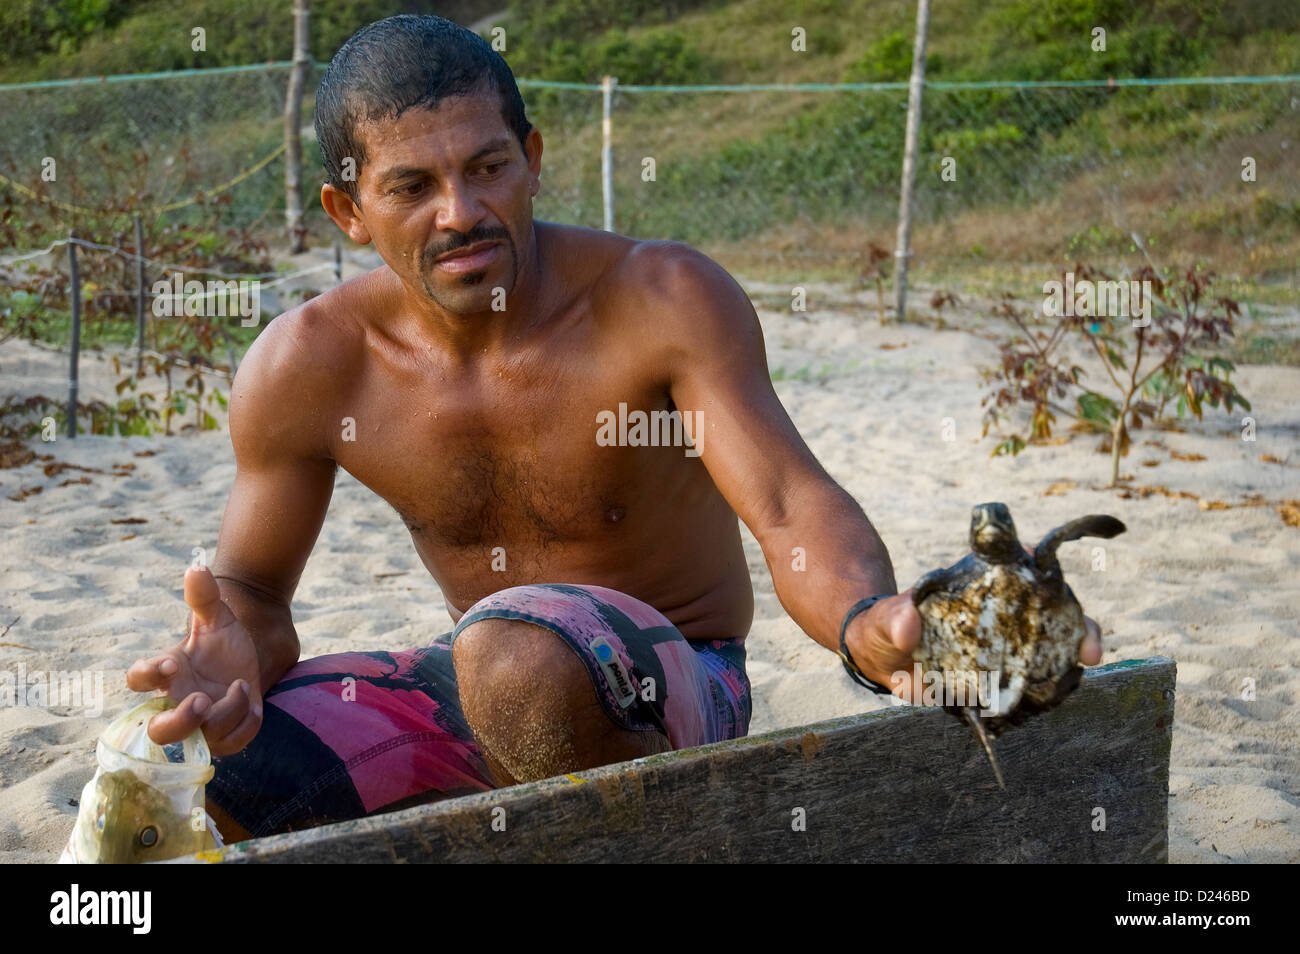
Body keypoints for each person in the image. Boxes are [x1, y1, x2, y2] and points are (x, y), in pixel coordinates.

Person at [127, 14, 1102, 843]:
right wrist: (233, 665)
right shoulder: (307, 364)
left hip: (675, 682)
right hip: (486, 681)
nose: (460, 211)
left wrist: (863, 624)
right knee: (198, 777)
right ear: (348, 210)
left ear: (534, 160)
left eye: (488, 166)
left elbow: (785, 501)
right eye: (411, 187)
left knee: (513, 657)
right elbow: (252, 591)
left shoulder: (659, 298)